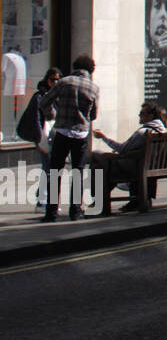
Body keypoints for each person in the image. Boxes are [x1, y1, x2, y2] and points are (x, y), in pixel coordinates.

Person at [39, 54, 99, 222]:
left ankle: (51, 212)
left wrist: (51, 115)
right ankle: (75, 211)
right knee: (78, 171)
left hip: (62, 132)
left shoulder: (63, 82)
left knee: (55, 171)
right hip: (81, 134)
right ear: (90, 70)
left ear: (75, 67)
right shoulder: (94, 88)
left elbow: (44, 102)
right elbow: (93, 115)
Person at [89, 101, 167, 214]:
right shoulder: (163, 130)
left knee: (97, 159)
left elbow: (122, 148)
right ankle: (99, 200)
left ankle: (98, 201)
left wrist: (103, 137)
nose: (139, 115)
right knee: (100, 164)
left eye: (142, 113)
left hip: (135, 167)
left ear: (150, 116)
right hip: (149, 165)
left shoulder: (143, 132)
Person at [19, 67, 60, 212]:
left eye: (57, 79)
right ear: (47, 80)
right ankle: (42, 202)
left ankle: (43, 197)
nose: (54, 82)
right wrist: (39, 137)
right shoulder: (39, 96)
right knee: (48, 167)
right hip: (43, 136)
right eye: (52, 79)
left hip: (54, 136)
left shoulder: (58, 96)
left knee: (50, 168)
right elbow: (35, 118)